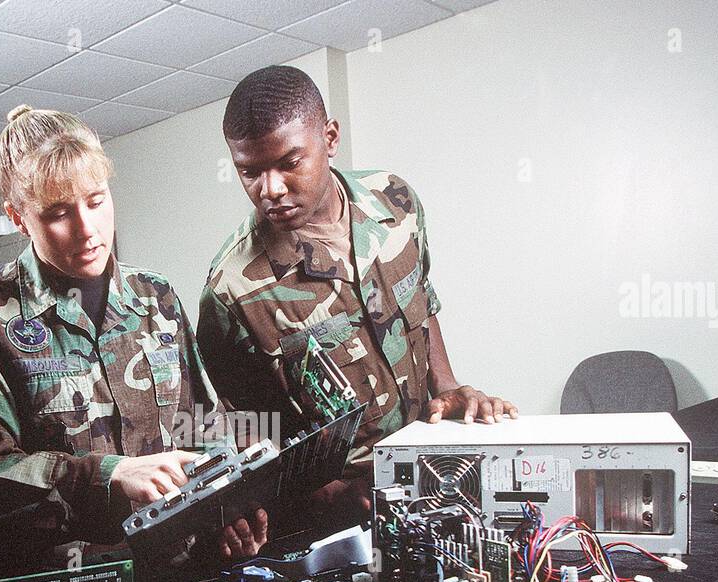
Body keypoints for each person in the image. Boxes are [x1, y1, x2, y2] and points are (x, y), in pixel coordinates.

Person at [0, 106, 266, 566]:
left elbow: (203, 423)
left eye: (96, 201)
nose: (87, 230)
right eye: (58, 213)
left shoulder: (156, 296)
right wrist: (110, 476)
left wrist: (228, 509)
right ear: (18, 218)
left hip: (179, 567)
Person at [198, 66, 518, 526]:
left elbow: (422, 305)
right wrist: (323, 494)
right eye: (249, 171)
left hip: (438, 471)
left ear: (329, 139)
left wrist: (447, 389)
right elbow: (250, 430)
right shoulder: (230, 291)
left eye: (289, 164)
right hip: (340, 514)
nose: (270, 190)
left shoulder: (395, 200)